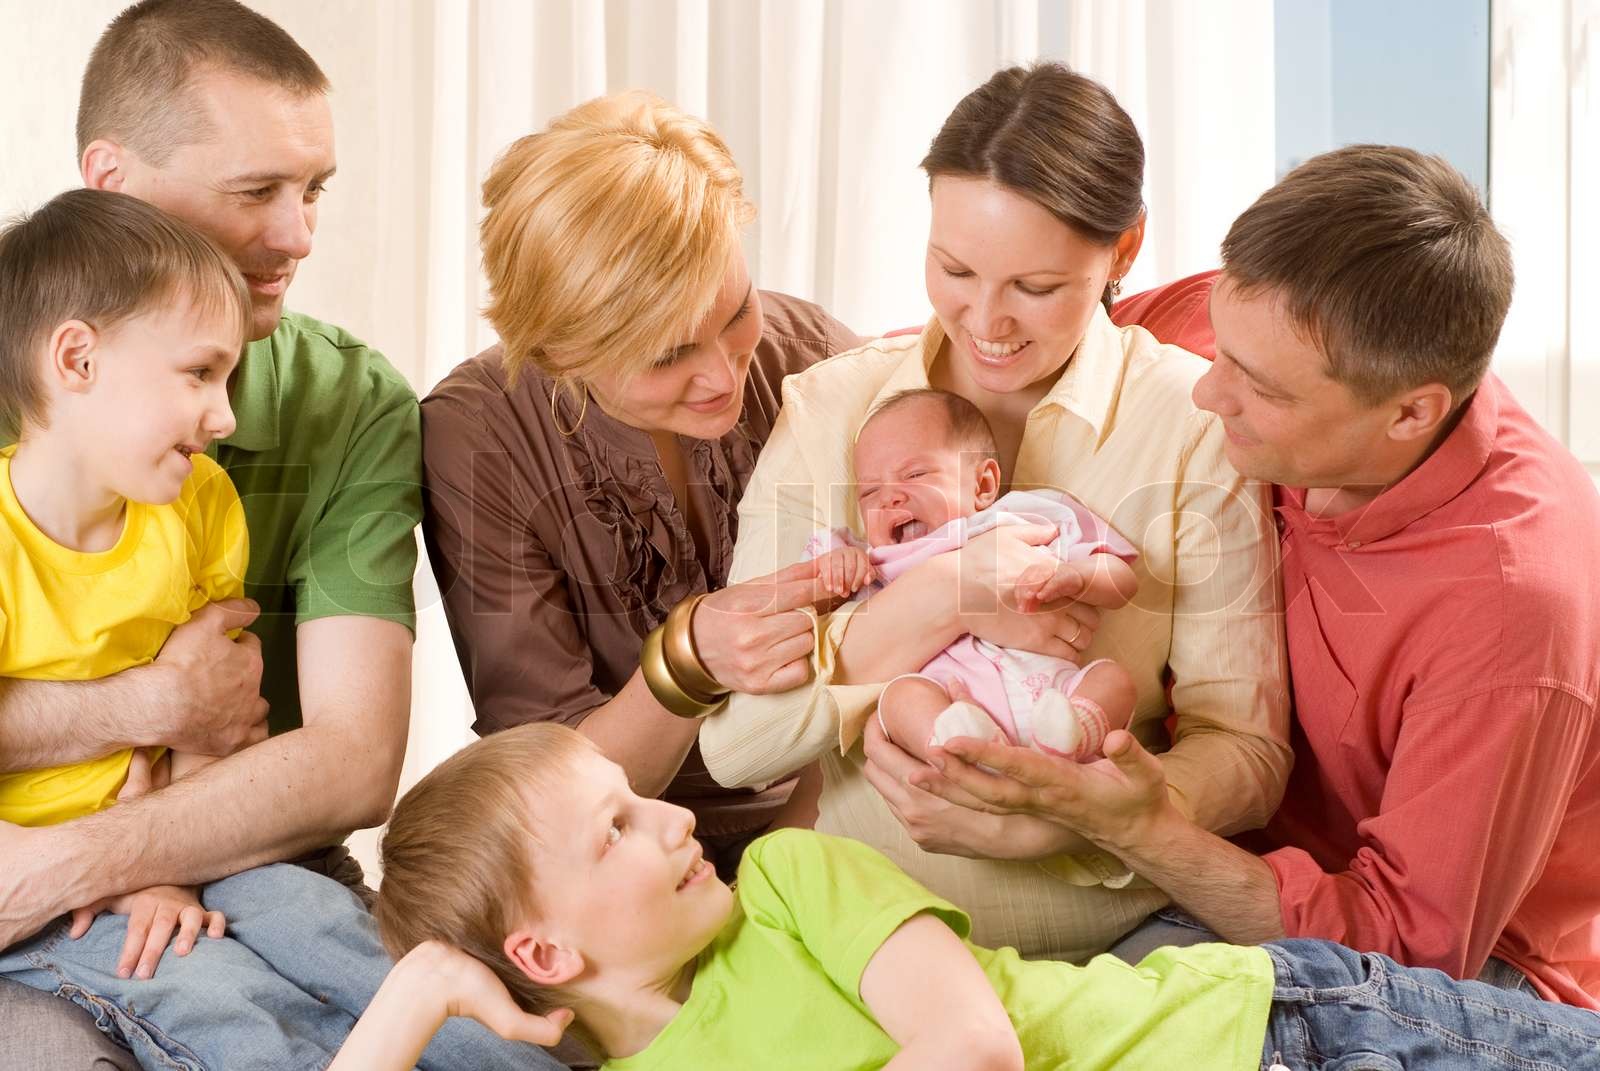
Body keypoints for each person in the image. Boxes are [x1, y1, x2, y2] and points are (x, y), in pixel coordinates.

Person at [0, 3, 559, 1068]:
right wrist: (146, 704)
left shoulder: (346, 398)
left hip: (250, 854)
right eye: (255, 191)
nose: (298, 236)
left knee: (470, 1032)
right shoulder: (25, 364)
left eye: (314, 191)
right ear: (109, 183)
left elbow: (351, 764)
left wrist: (98, 859)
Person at [918, 146, 1600, 1007]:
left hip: (1441, 965)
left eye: (1260, 388)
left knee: (1074, 1028)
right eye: (1222, 344)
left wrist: (1138, 827)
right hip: (1213, 835)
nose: (1206, 392)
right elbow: (965, 353)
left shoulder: (1512, 604)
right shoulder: (1258, 332)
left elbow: (1413, 951)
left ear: (1412, 412)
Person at [698, 62, 1290, 957]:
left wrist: (1077, 815)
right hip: (853, 936)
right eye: (955, 268)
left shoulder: (1188, 421)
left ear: (1124, 251)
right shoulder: (831, 407)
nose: (987, 319)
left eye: (1036, 287)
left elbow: (1246, 751)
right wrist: (944, 595)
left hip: (1111, 942)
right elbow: (741, 749)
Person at [332, 722, 1600, 1071]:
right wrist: (419, 991)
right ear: (540, 950)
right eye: (616, 826)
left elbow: (973, 1048)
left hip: (1277, 1032)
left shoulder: (781, 879)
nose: (672, 818)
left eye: (639, 794)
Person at [419, 90, 860, 878]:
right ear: (556, 352)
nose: (723, 376)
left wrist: (786, 869)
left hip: (834, 812)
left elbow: (914, 633)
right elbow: (557, 789)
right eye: (666, 357)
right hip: (616, 849)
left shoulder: (816, 358)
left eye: (736, 312)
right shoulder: (478, 435)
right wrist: (687, 660)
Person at [808, 388, 1139, 764]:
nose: (890, 498)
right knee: (900, 699)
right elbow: (810, 599)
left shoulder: (1024, 517)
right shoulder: (873, 561)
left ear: (982, 486)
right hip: (949, 699)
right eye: (869, 492)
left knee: (1114, 681)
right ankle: (959, 747)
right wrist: (839, 563)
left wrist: (1077, 577)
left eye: (914, 474)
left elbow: (1121, 577)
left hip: (1053, 695)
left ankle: (1072, 734)